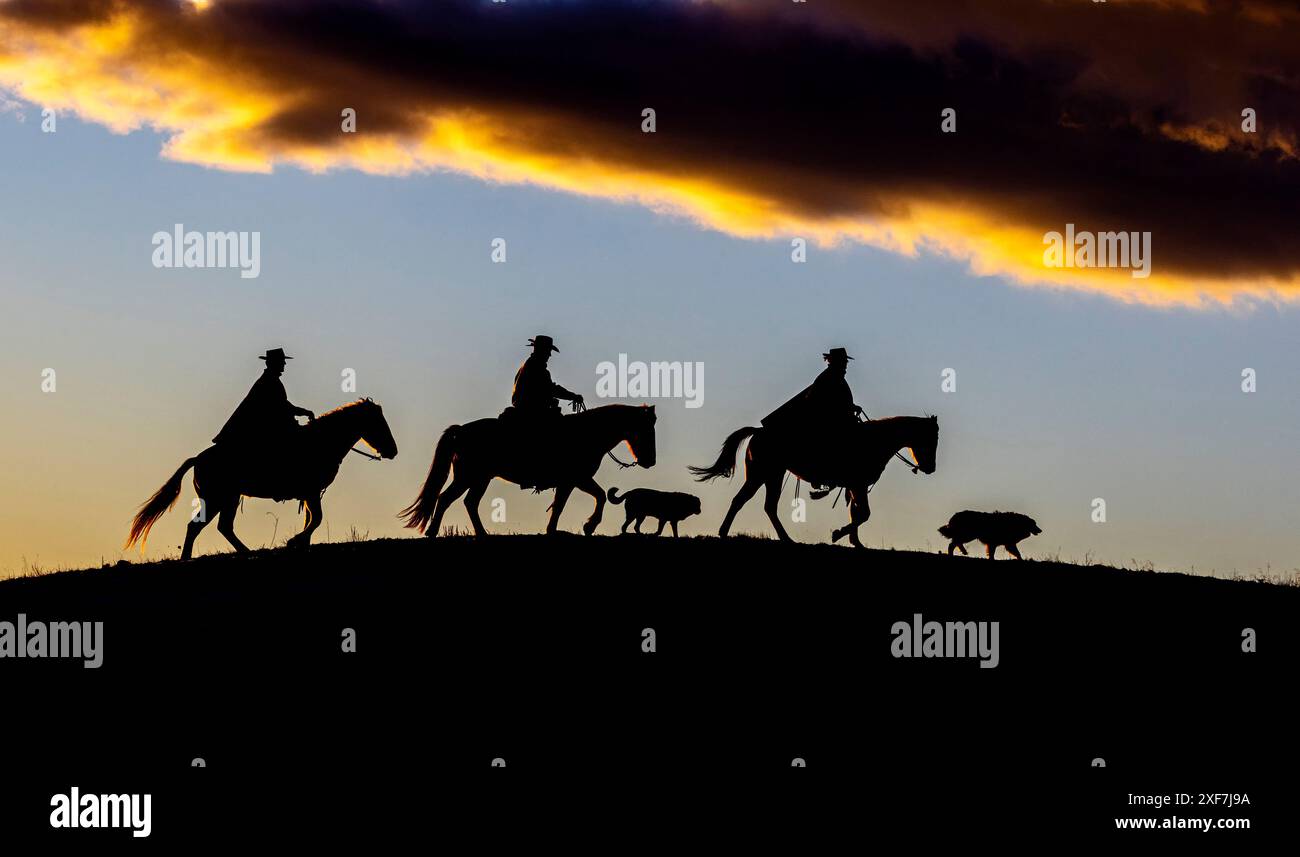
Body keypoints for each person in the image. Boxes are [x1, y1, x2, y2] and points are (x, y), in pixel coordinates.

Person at [212, 348, 315, 458]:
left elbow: (282, 405)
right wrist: (305, 412)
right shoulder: (269, 381)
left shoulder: (271, 379)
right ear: (272, 362)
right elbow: (282, 406)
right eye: (281, 360)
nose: (284, 363)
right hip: (259, 426)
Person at [506, 335, 584, 419]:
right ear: (541, 350)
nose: (550, 355)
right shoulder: (537, 368)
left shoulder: (526, 366)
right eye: (548, 351)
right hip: (531, 411)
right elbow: (551, 389)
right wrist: (573, 396)